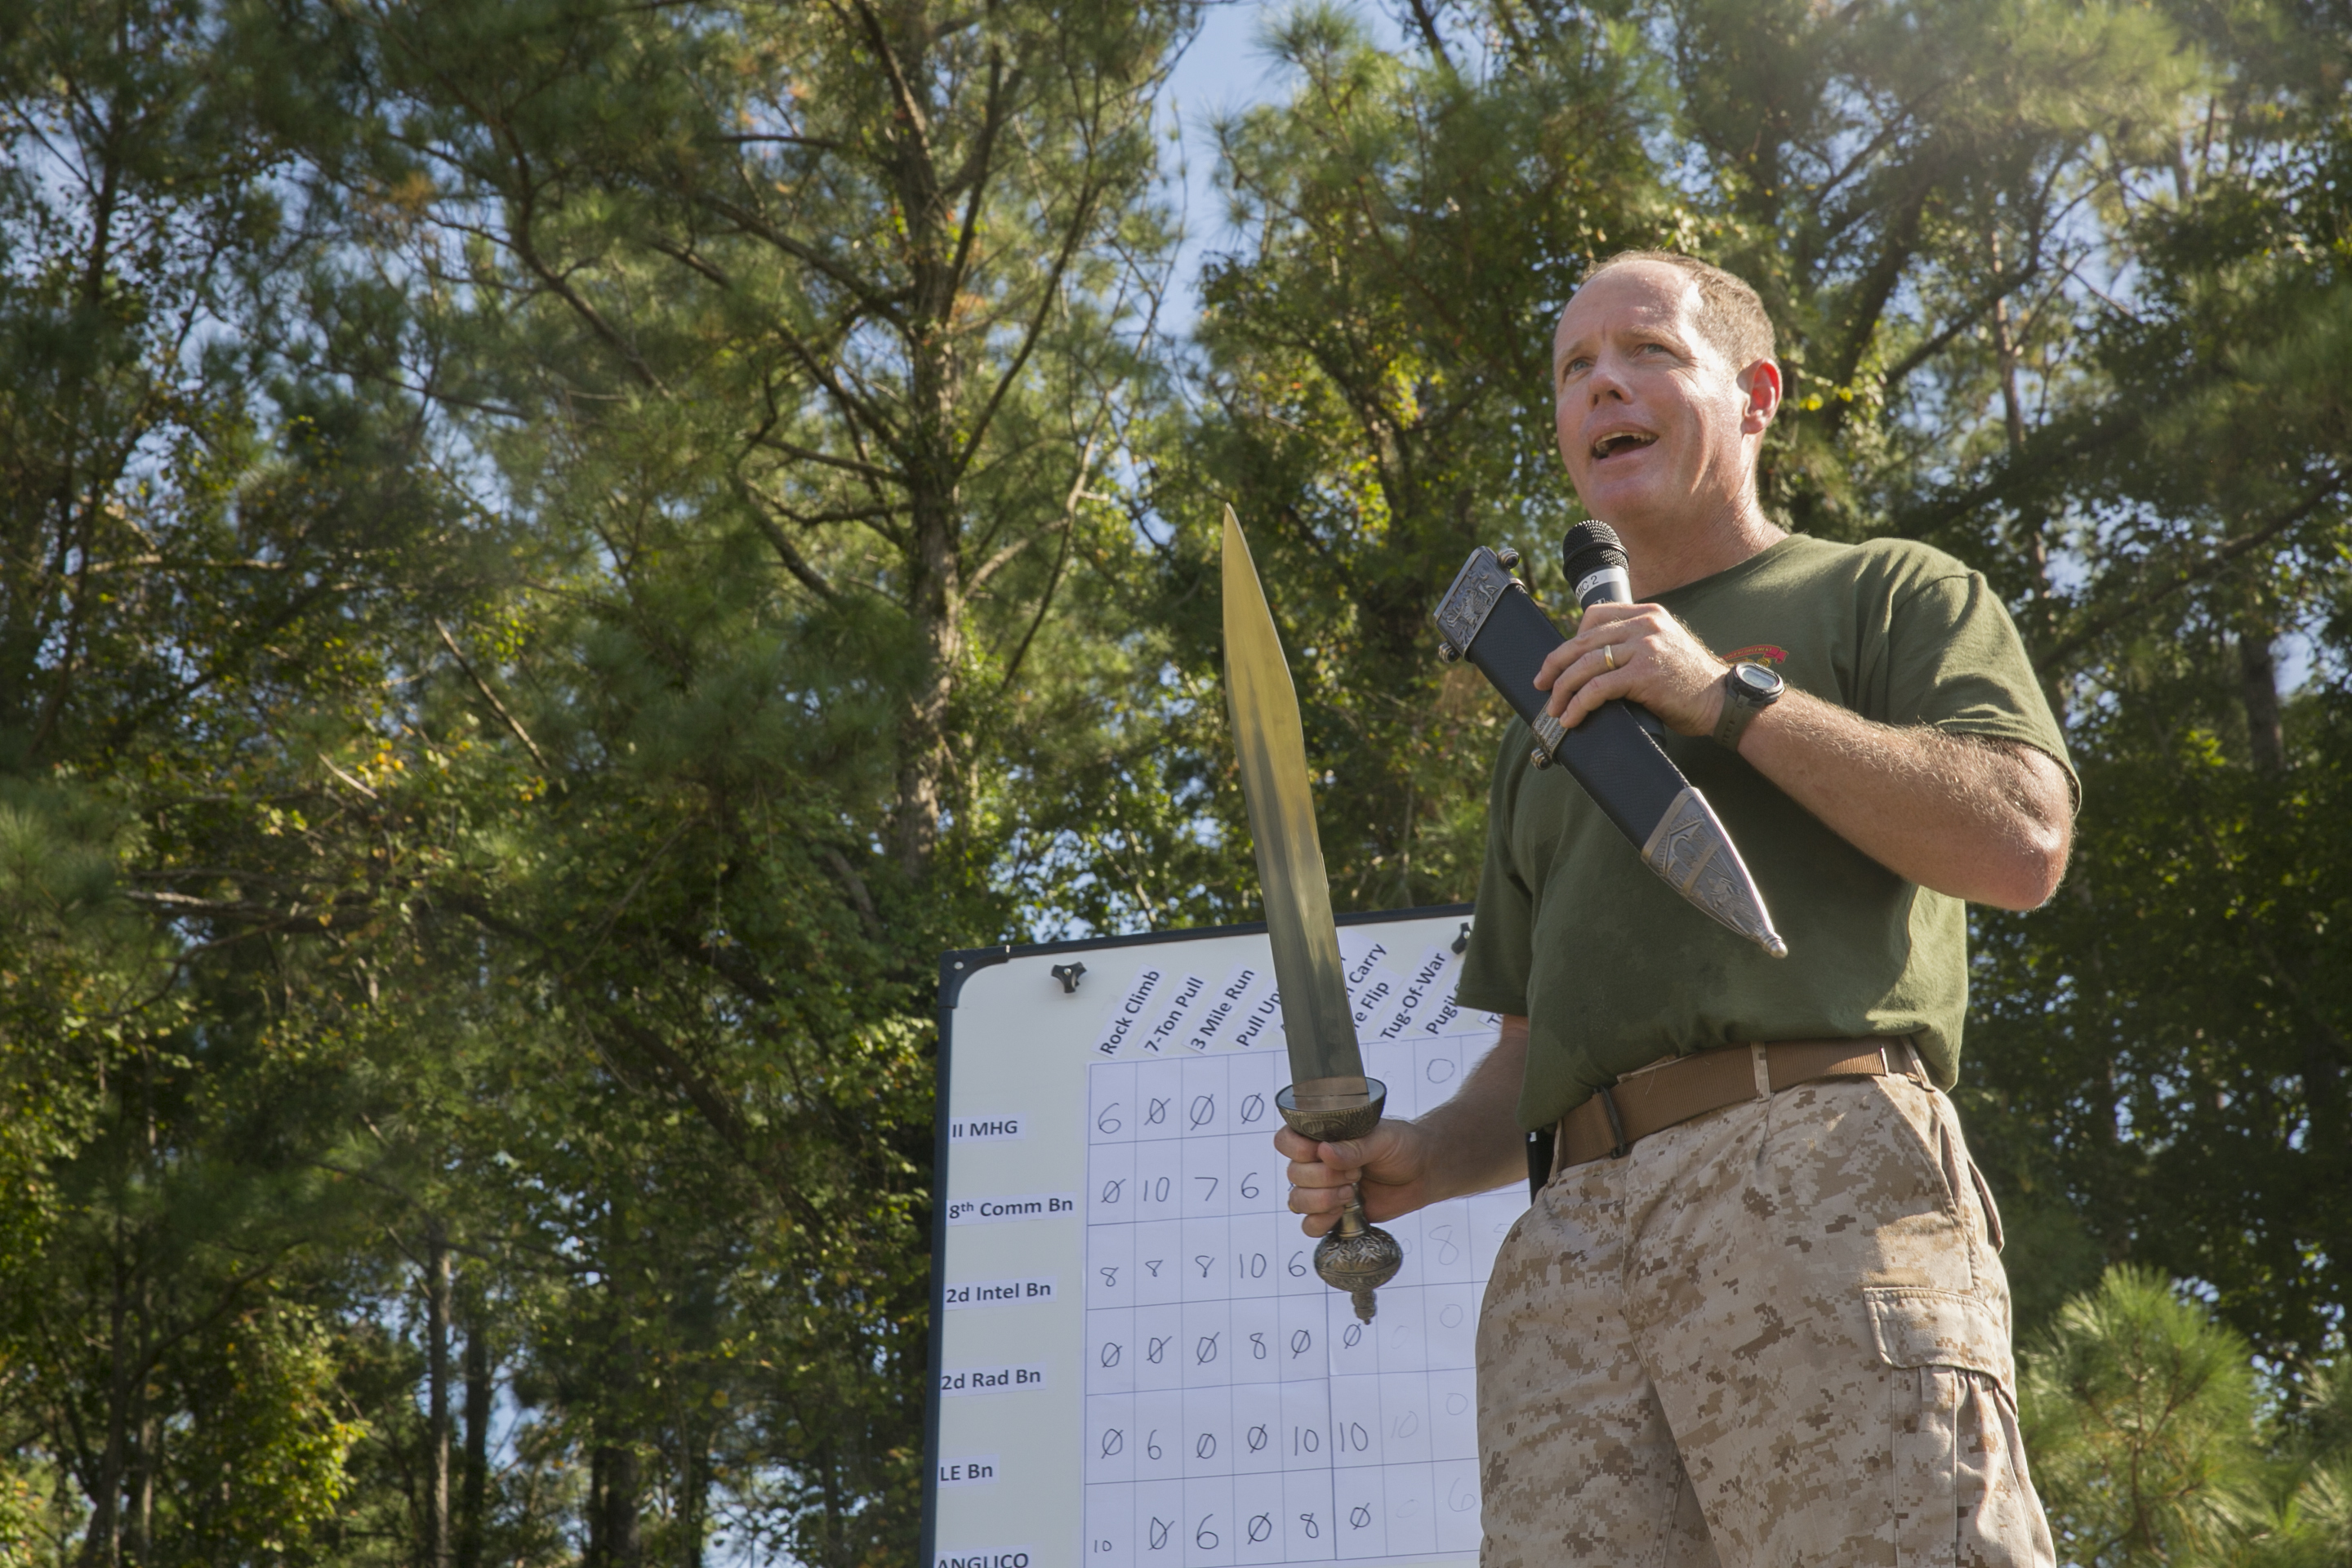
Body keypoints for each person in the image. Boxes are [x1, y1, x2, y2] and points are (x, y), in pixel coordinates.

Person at [1276, 252, 2077, 1567]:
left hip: (1814, 1175)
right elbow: (1533, 1051)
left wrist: (1724, 698)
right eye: (1573, 369)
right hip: (1569, 1252)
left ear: (1756, 396)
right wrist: (1427, 1156)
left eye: (1647, 351)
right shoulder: (1541, 716)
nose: (1602, 386)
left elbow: (2021, 840)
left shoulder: (1886, 591)